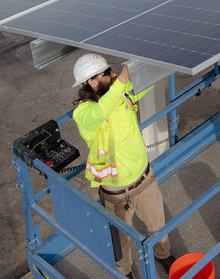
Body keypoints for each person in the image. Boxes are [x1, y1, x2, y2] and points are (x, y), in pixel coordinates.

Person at [71, 53, 174, 279]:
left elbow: (141, 86)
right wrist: (122, 83)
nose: (114, 74)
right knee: (120, 241)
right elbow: (101, 111)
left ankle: (163, 255)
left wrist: (161, 67)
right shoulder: (83, 113)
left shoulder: (119, 93)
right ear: (92, 80)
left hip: (144, 178)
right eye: (108, 72)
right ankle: (124, 273)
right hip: (115, 194)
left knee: (158, 223)